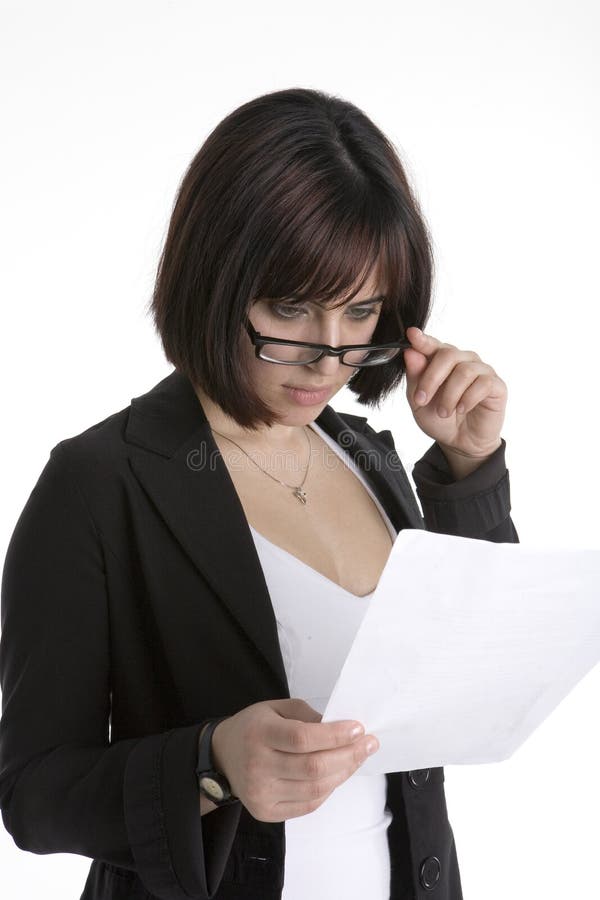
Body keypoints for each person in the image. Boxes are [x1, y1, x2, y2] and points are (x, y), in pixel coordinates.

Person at [0, 87, 518, 900]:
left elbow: (478, 671)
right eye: (291, 307)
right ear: (215, 279)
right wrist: (210, 764)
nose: (329, 356)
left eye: (361, 312)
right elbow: (33, 794)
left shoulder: (369, 461)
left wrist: (468, 468)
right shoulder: (100, 482)